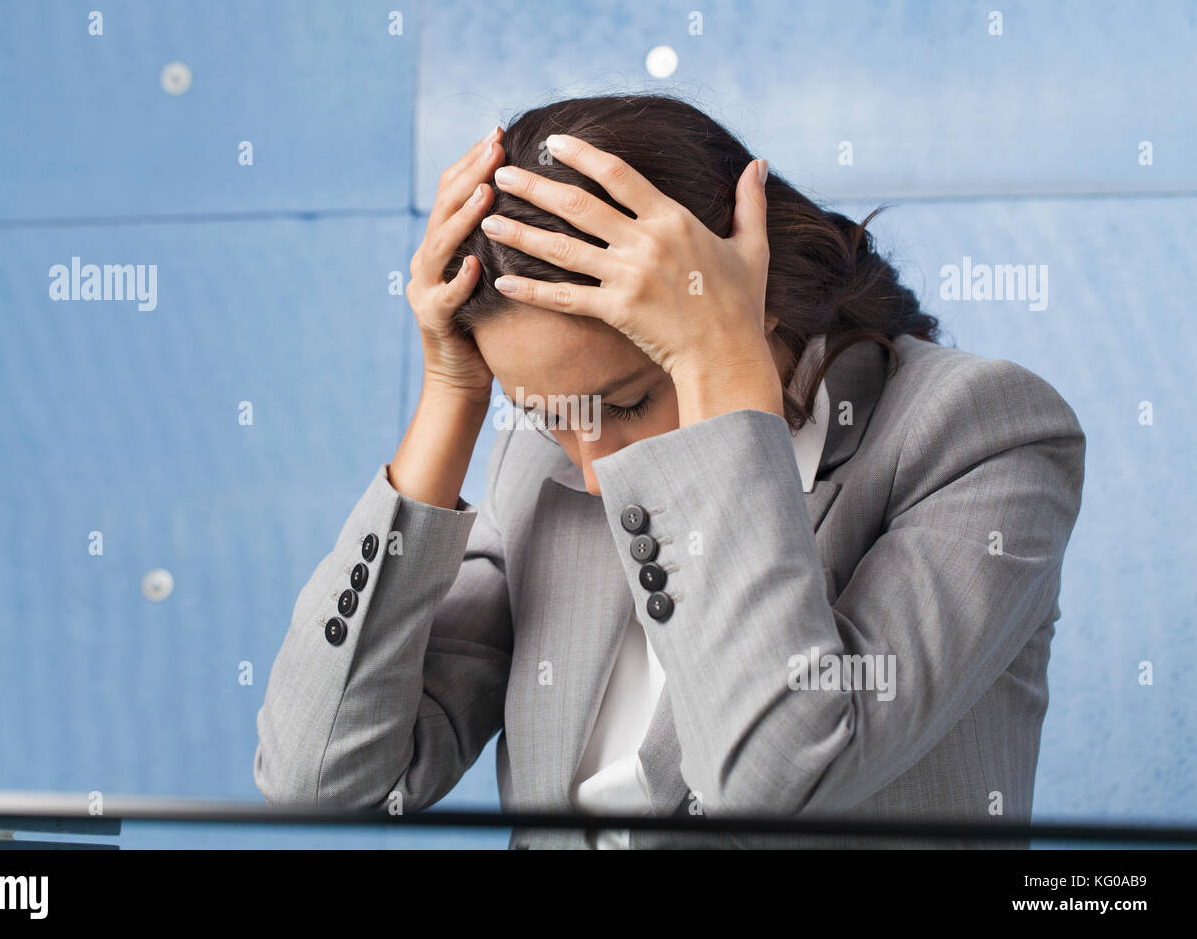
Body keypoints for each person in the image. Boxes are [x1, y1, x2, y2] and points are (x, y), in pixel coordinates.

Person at [253, 94, 1086, 849]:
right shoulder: (548, 456)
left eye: (625, 402)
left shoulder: (978, 431)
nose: (593, 474)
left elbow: (779, 779)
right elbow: (323, 780)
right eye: (551, 416)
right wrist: (451, 393)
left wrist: (724, 375)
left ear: (747, 301)